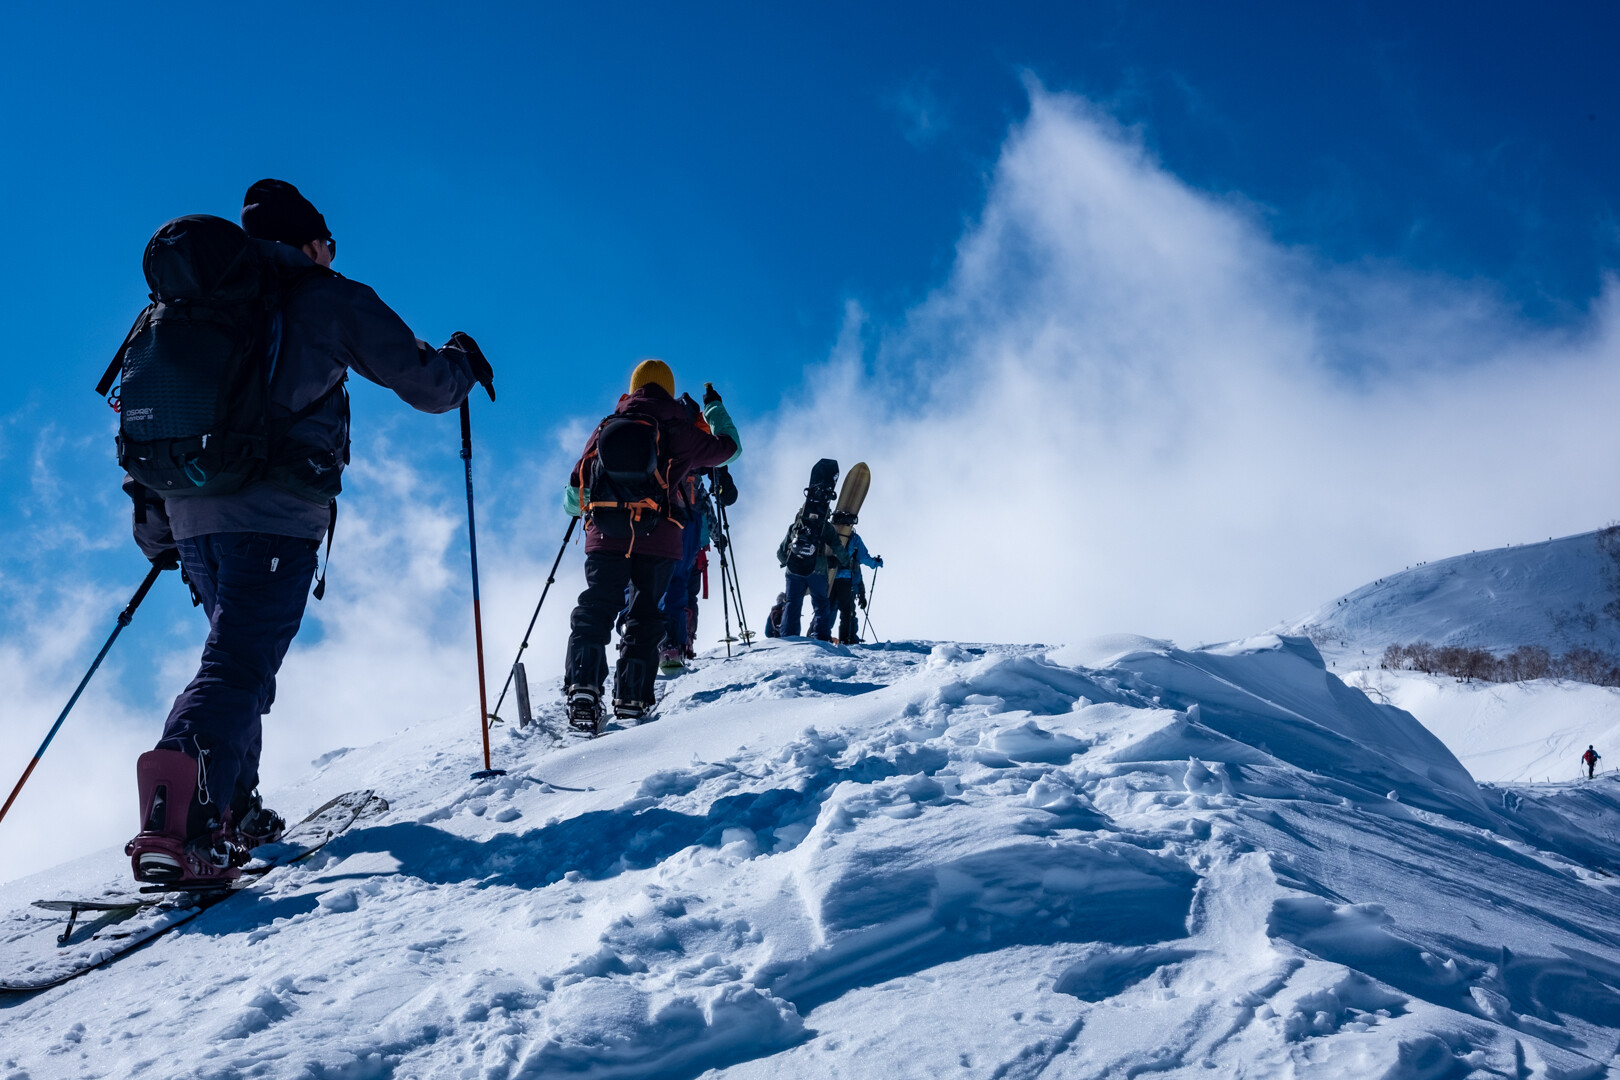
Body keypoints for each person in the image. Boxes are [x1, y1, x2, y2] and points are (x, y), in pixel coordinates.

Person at [124, 179, 495, 886]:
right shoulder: (324, 297)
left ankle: (231, 809)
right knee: (238, 666)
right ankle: (179, 827)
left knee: (238, 660)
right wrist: (463, 368)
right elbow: (423, 382)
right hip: (272, 519)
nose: (331, 253)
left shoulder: (185, 309)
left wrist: (159, 530)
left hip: (190, 516)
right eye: (328, 242)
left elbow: (155, 413)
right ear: (311, 241)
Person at [563, 362, 740, 728]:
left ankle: (583, 687)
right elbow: (730, 450)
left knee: (595, 608)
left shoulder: (606, 426)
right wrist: (713, 410)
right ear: (669, 390)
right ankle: (632, 698)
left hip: (606, 535)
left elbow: (573, 495)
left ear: (633, 388)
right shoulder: (679, 429)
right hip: (658, 538)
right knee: (645, 616)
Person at [775, 509, 837, 640]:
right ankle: (821, 636)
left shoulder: (795, 527)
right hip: (817, 572)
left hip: (793, 572)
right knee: (821, 602)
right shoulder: (825, 527)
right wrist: (845, 562)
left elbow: (780, 553)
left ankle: (789, 635)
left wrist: (789, 562)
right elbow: (838, 547)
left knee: (792, 602)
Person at [828, 529, 882, 644]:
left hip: (829, 577)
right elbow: (863, 557)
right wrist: (875, 563)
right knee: (847, 611)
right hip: (846, 579)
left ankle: (820, 635)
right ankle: (847, 639)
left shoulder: (829, 532)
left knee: (828, 609)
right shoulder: (853, 537)